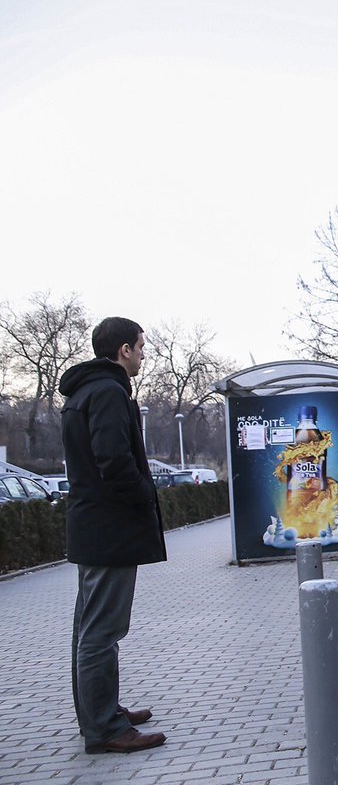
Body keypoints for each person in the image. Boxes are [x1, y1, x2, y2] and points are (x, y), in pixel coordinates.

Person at [60, 317, 167, 754]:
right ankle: (104, 728)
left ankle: (100, 713)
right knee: (102, 631)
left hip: (94, 526)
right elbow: (113, 460)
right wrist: (145, 497)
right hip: (110, 528)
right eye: (141, 346)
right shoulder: (107, 392)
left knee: (89, 628)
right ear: (124, 349)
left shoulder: (84, 391)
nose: (143, 353)